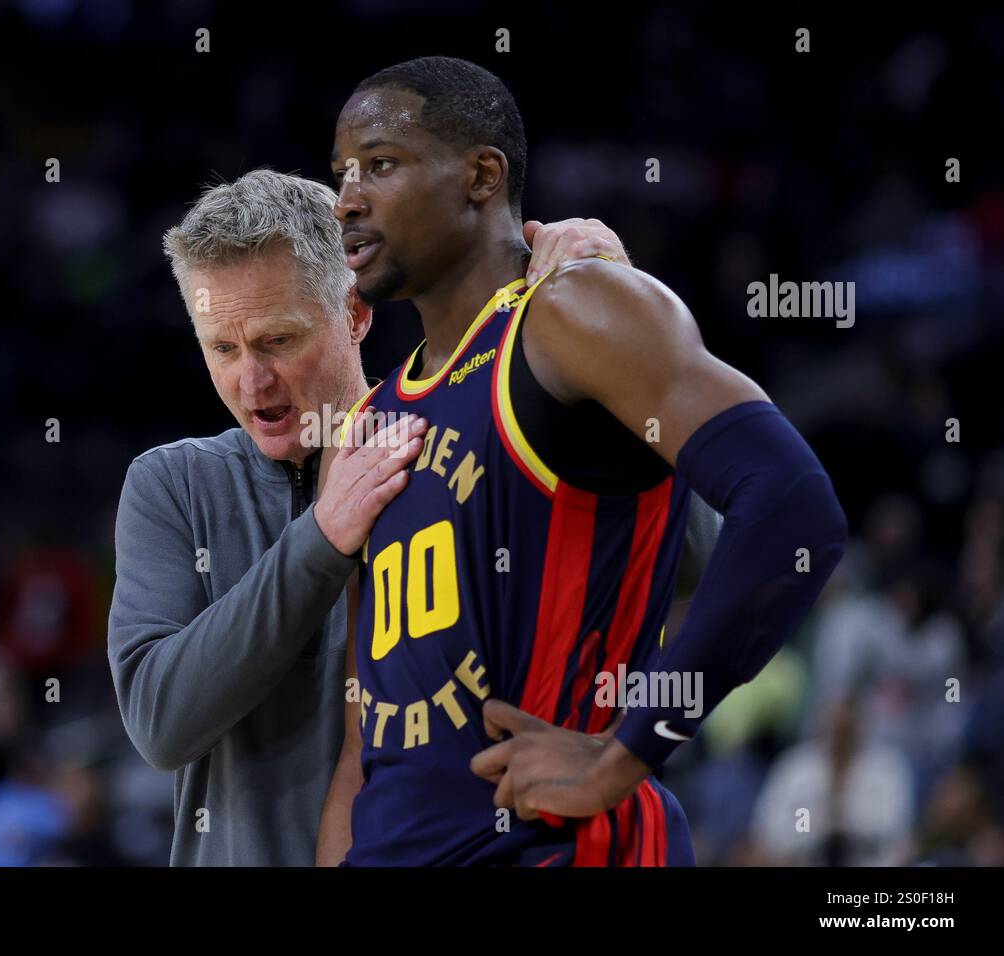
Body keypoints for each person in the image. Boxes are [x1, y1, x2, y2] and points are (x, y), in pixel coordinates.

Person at [317, 57, 846, 866]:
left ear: (481, 176)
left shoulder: (573, 313)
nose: (348, 197)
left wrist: (625, 752)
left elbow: (790, 504)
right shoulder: (366, 420)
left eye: (380, 165)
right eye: (341, 174)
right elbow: (367, 739)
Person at [107, 168, 651, 865]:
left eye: (278, 341)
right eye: (223, 348)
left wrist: (618, 328)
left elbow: (682, 553)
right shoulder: (173, 485)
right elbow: (161, 723)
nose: (252, 381)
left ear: (357, 312)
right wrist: (323, 538)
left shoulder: (456, 441)